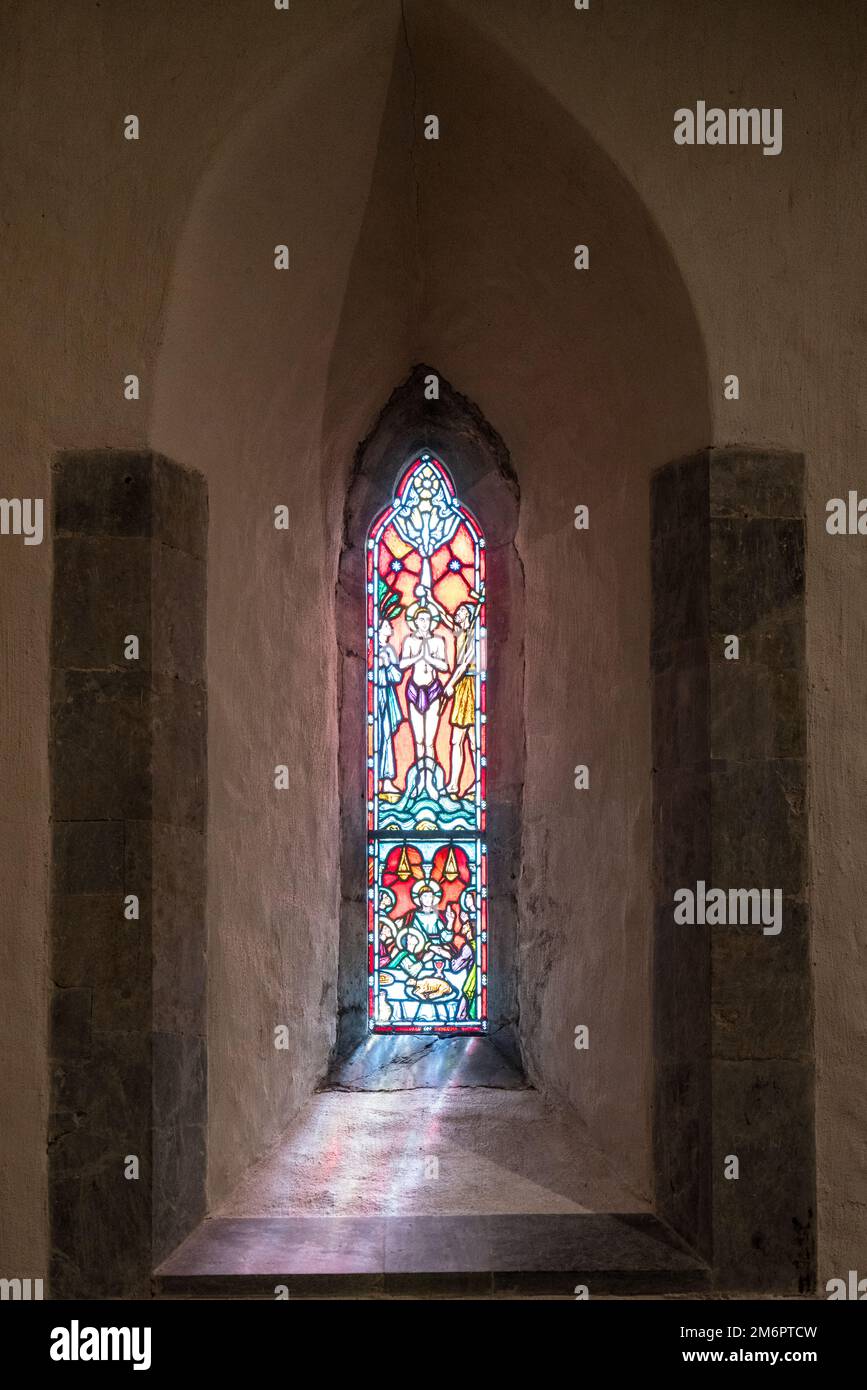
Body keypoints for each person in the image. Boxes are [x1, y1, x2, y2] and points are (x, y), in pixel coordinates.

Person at [399, 603, 449, 799]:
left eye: (427, 619)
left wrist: (429, 658)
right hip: (414, 690)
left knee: (430, 741)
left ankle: (431, 782)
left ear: (431, 622)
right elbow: (402, 664)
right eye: (420, 619)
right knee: (418, 740)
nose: (424, 623)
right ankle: (419, 782)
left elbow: (445, 666)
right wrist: (417, 656)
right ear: (414, 622)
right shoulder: (410, 641)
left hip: (433, 690)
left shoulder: (438, 641)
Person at [443, 602, 479, 796]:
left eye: (462, 611)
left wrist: (450, 684)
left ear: (469, 616)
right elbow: (445, 617)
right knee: (456, 740)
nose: (457, 613)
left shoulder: (475, 636)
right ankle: (454, 784)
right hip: (461, 689)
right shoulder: (460, 633)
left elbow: (465, 663)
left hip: (470, 686)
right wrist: (430, 598)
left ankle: (477, 781)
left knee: (473, 740)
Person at [376, 618, 403, 795]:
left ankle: (386, 780)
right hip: (374, 694)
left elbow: (397, 676)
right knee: (374, 735)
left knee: (386, 736)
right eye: (386, 626)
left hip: (386, 694)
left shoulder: (390, 650)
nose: (390, 628)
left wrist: (386, 664)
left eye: (390, 626)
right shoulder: (371, 647)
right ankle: (374, 781)